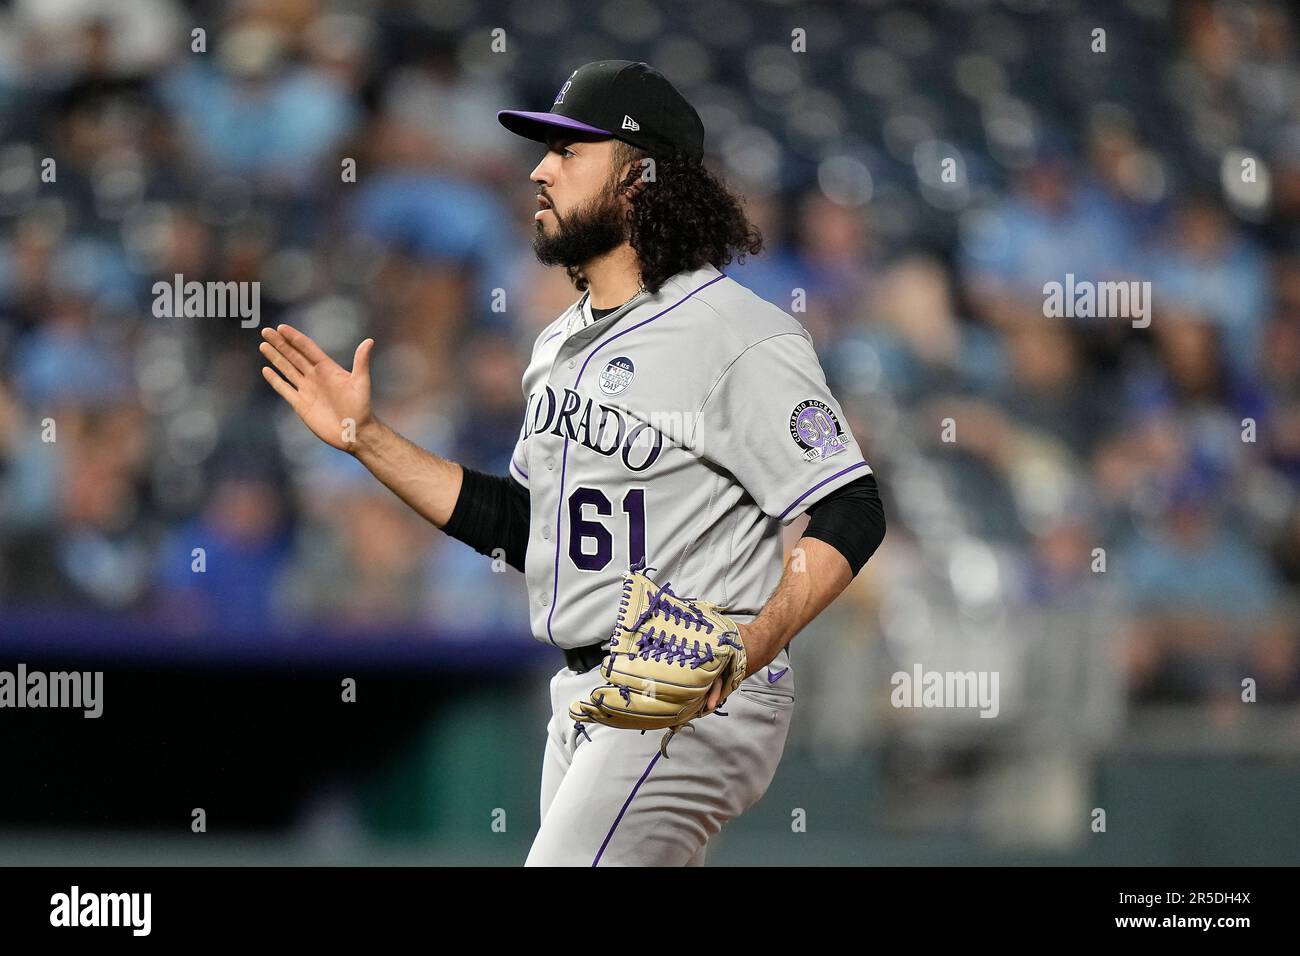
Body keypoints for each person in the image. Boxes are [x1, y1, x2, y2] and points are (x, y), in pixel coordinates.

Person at [259, 60, 885, 866]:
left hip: (684, 679)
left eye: (569, 151)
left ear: (639, 179)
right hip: (584, 693)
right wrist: (368, 440)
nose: (538, 169)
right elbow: (529, 527)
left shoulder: (738, 333)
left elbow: (851, 506)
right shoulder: (559, 341)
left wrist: (755, 639)